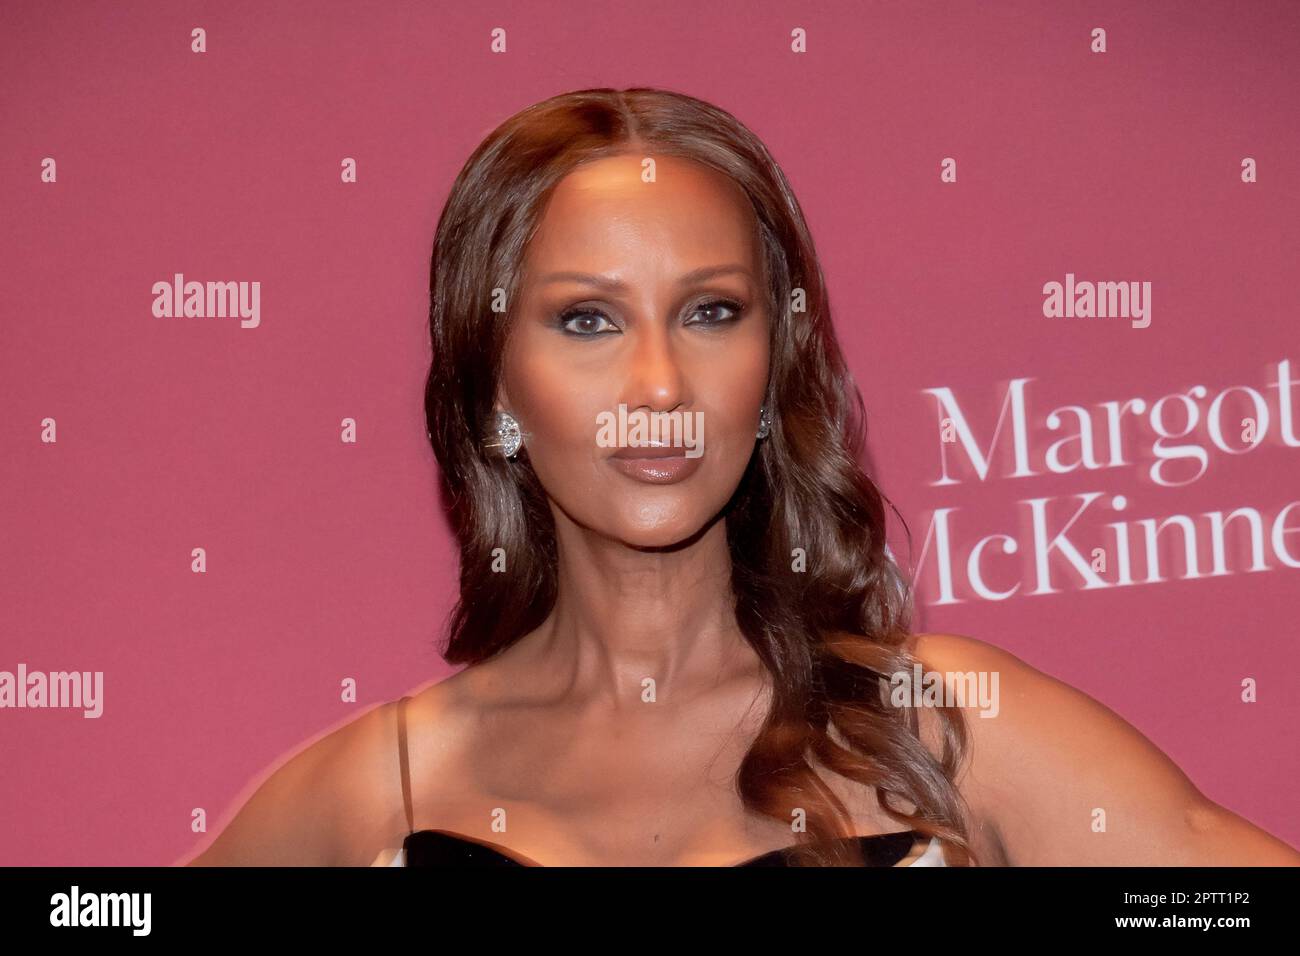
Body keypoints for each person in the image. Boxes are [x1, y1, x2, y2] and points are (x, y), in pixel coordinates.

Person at [184, 88, 1299, 867]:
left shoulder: (942, 723)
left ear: (776, 366)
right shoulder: (385, 781)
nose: (659, 382)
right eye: (587, 319)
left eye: (711, 312)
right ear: (495, 388)